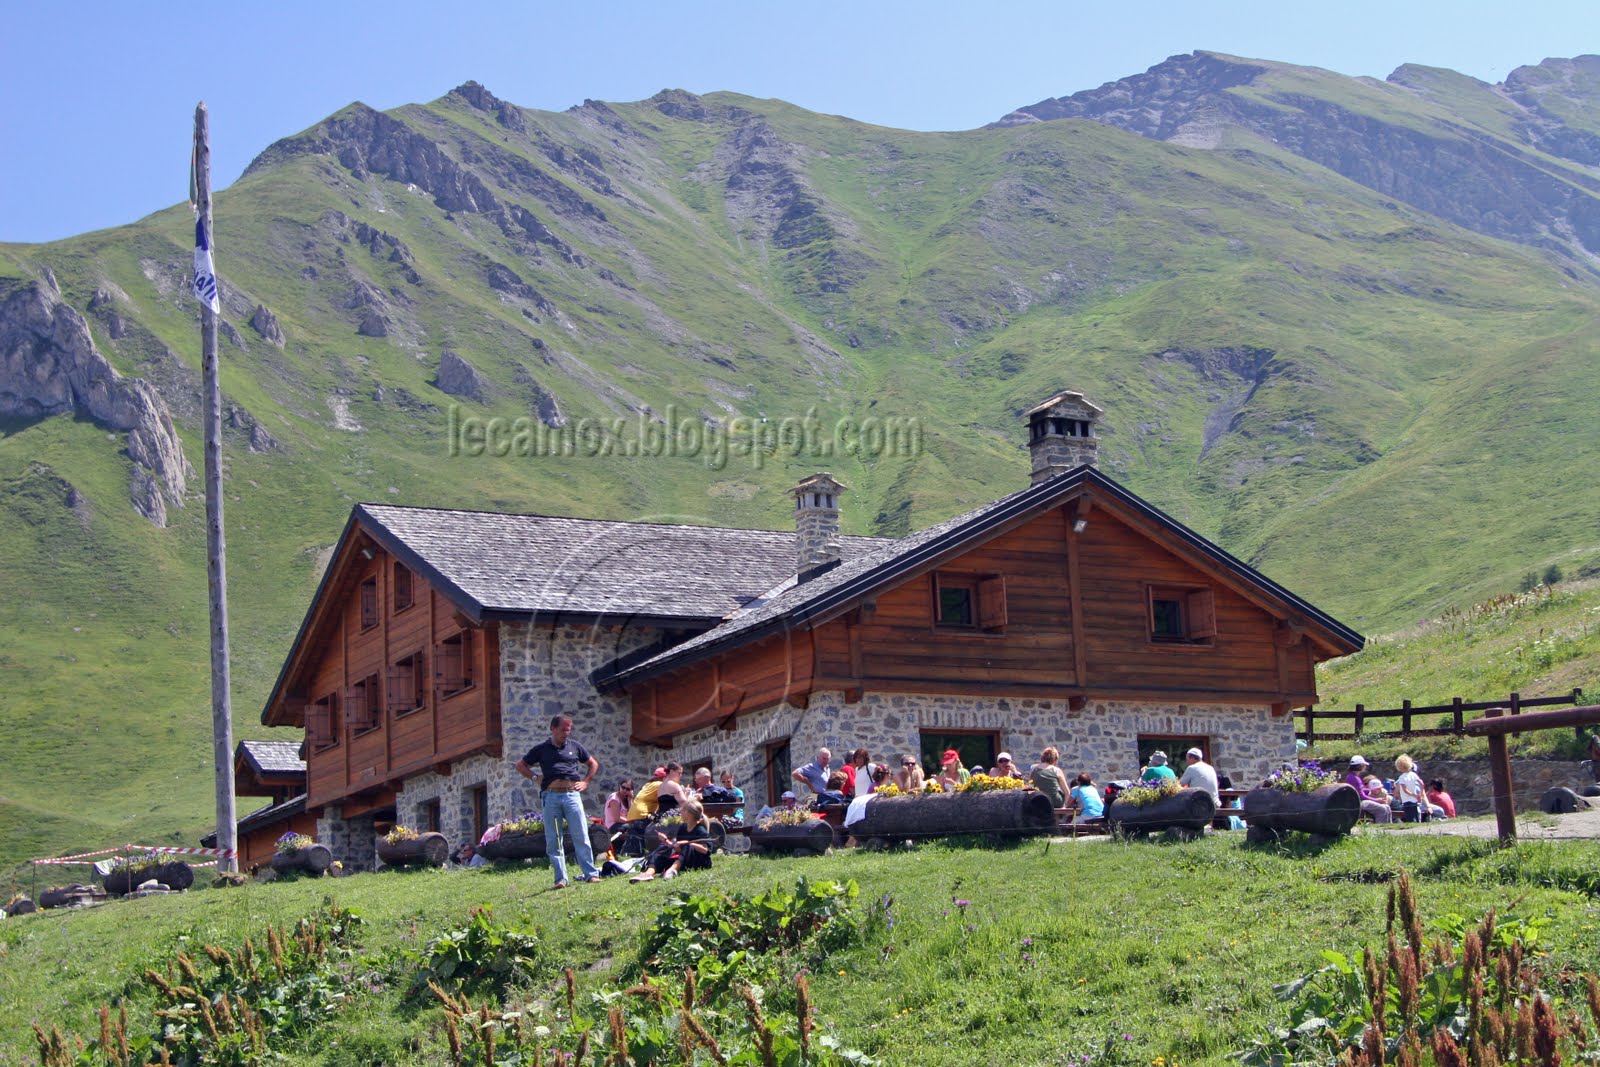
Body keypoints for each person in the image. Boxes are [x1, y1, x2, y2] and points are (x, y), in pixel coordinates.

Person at [514, 714, 601, 888]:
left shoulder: (575, 747)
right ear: (552, 729)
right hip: (551, 796)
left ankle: (590, 874)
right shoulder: (541, 749)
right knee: (554, 838)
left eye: (568, 729)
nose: (566, 733)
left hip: (571, 795)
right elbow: (520, 765)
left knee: (581, 835)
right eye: (563, 729)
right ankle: (561, 879)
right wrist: (534, 777)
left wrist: (586, 781)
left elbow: (593, 763)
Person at [629, 798, 713, 882]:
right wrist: (666, 841)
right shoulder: (683, 827)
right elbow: (679, 849)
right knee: (663, 847)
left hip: (699, 862)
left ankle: (672, 870)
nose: (681, 812)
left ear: (688, 814)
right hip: (684, 860)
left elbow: (706, 850)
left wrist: (688, 843)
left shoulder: (700, 830)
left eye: (683, 810)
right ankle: (648, 873)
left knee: (688, 846)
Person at [1344, 755, 1393, 824]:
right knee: (1382, 810)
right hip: (1358, 803)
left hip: (1357, 802)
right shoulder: (1355, 778)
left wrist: (1371, 790)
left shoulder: (1352, 776)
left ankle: (1388, 826)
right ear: (1360, 766)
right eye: (1364, 765)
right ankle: (1381, 828)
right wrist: (1377, 800)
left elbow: (1361, 790)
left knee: (1387, 807)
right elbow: (1362, 796)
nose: (1365, 766)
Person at [1393, 754, 1428, 822]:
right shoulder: (1414, 774)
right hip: (1415, 799)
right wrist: (1419, 794)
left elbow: (1404, 790)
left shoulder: (1402, 777)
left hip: (1406, 799)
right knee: (1416, 813)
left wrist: (1412, 794)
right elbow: (1422, 784)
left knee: (1410, 815)